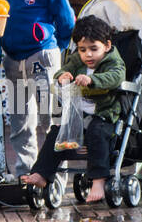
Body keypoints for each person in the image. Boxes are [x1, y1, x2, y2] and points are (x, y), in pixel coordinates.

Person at [0, 0, 75, 178]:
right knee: (20, 122)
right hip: (12, 60)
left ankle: (55, 177)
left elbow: (67, 22)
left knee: (51, 120)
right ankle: (26, 175)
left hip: (42, 58)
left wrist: (53, 50)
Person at [22, 16, 125, 204]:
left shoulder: (113, 62)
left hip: (104, 115)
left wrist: (93, 80)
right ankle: (42, 173)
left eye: (94, 49)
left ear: (107, 46)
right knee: (56, 132)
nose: (88, 55)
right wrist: (63, 76)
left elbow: (115, 77)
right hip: (79, 115)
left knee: (96, 132)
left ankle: (99, 181)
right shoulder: (78, 59)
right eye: (82, 49)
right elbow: (63, 70)